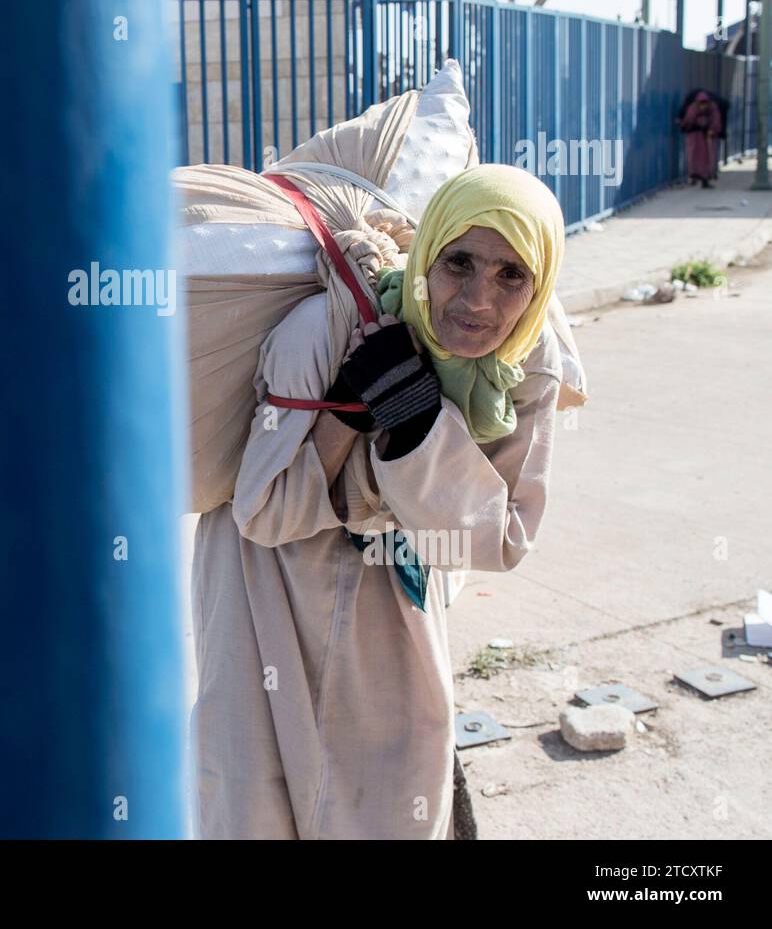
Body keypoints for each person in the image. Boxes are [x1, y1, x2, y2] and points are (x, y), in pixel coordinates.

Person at [190, 163, 566, 839]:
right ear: (429, 257)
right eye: (459, 263)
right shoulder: (326, 330)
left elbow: (500, 537)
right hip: (260, 589)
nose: (479, 299)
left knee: (393, 783)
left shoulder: (526, 369)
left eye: (512, 276)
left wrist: (420, 421)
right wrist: (350, 413)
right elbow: (264, 512)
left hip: (385, 598)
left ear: (538, 286)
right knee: (252, 789)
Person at [678, 89, 722, 187]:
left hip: (706, 136)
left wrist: (712, 130)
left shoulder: (712, 108)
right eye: (701, 103)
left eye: (705, 103)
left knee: (707, 157)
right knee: (693, 156)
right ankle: (694, 176)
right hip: (695, 136)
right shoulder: (693, 108)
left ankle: (705, 178)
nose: (703, 106)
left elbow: (716, 120)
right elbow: (688, 121)